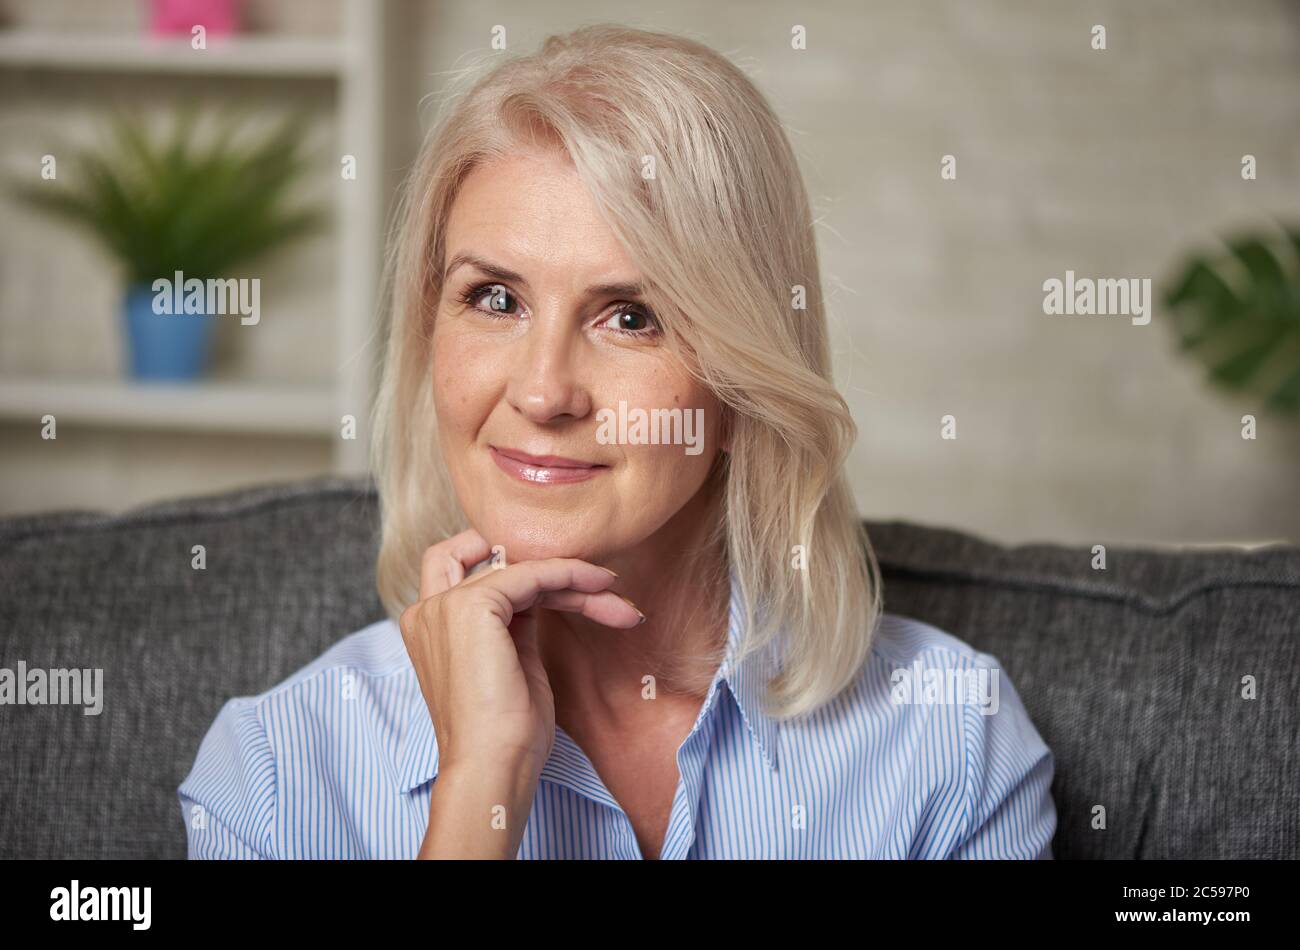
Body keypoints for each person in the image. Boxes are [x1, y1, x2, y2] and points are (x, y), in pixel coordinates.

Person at [178, 24, 1055, 860]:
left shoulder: (949, 744)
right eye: (495, 299)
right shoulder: (271, 778)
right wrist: (482, 786)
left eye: (632, 317)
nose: (542, 390)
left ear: (746, 373)